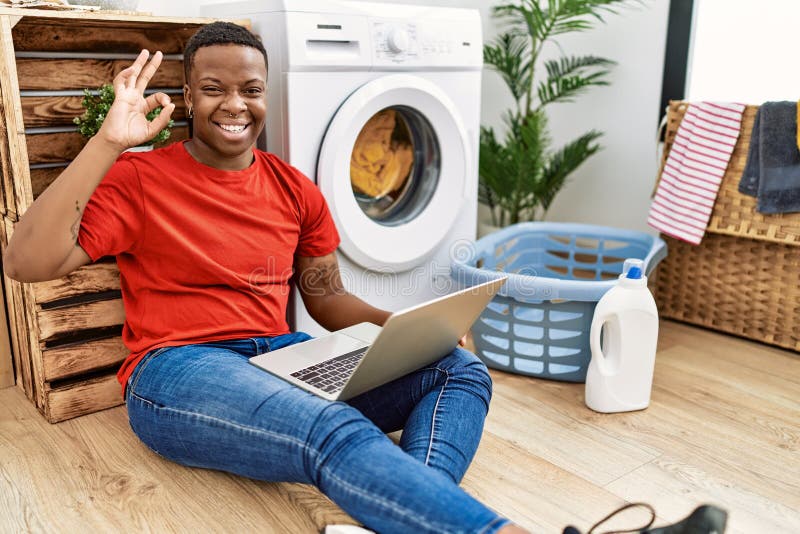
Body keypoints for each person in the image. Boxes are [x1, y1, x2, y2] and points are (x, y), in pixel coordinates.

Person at [4, 22, 726, 534]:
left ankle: (408, 515)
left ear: (266, 94)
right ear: (187, 97)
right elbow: (25, 263)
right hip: (175, 375)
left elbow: (324, 298)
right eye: (212, 88)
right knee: (335, 429)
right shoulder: (138, 177)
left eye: (249, 88)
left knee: (462, 372)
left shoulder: (295, 190)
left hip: (281, 358)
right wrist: (108, 139)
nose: (234, 104)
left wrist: (417, 334)